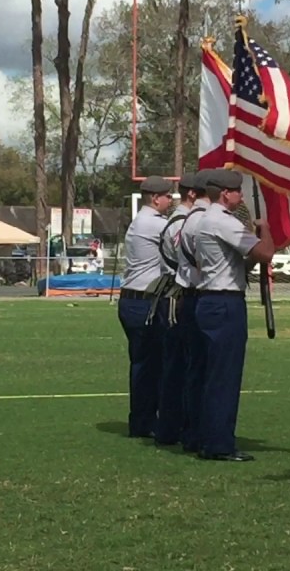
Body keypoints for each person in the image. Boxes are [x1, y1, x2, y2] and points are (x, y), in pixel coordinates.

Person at [192, 169, 274, 461]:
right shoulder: (223, 222)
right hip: (225, 302)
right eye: (238, 192)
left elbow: (241, 262)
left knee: (209, 374)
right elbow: (265, 253)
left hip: (209, 300)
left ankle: (205, 436)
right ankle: (219, 443)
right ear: (226, 193)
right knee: (224, 377)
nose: (241, 197)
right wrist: (265, 229)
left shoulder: (206, 220)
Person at [118, 175, 173, 439]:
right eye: (168, 196)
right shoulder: (155, 224)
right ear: (156, 198)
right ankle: (147, 421)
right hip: (144, 301)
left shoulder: (140, 222)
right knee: (151, 365)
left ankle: (143, 419)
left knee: (143, 364)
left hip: (132, 298)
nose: (170, 201)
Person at [154, 171, 200, 447]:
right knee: (177, 365)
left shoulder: (179, 220)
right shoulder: (181, 223)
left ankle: (173, 425)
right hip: (176, 294)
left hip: (174, 293)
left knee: (178, 364)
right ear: (192, 194)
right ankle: (172, 426)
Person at [174, 170, 212, 453]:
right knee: (203, 370)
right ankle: (199, 431)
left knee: (193, 369)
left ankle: (191, 429)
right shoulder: (200, 222)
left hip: (188, 294)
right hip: (199, 294)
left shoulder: (185, 221)